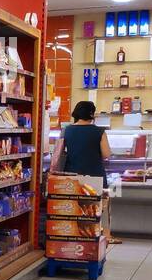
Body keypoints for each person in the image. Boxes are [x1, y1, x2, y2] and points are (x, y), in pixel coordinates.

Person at [51, 100, 118, 243]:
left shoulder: (66, 130)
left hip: (72, 176)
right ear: (92, 114)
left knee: (75, 207)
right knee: (101, 206)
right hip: (95, 175)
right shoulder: (99, 131)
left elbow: (58, 153)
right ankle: (106, 235)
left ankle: (74, 233)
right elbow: (106, 154)